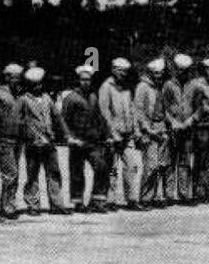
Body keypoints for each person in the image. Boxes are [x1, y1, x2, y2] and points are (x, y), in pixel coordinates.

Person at [62, 64, 112, 212]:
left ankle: (97, 200)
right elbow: (63, 120)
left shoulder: (93, 96)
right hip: (77, 141)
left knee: (101, 167)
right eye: (83, 79)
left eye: (88, 80)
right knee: (77, 172)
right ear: (78, 80)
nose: (86, 82)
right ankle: (78, 202)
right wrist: (69, 138)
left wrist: (107, 135)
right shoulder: (70, 98)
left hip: (93, 141)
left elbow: (99, 119)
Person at [19, 66, 67, 215]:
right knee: (32, 175)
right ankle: (33, 205)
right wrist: (27, 135)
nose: (38, 87)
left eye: (40, 83)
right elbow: (19, 121)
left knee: (54, 173)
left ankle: (57, 204)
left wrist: (64, 133)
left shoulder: (47, 98)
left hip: (49, 141)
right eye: (35, 84)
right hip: (33, 142)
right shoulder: (24, 100)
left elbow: (57, 117)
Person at [99, 57, 141, 209]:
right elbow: (104, 112)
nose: (122, 73)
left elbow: (132, 109)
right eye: (120, 70)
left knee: (131, 166)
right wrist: (112, 133)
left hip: (128, 133)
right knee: (111, 168)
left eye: (125, 71)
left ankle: (132, 200)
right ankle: (110, 200)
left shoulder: (126, 88)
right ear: (113, 70)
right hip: (113, 135)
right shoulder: (106, 87)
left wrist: (136, 129)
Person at [185, 58, 209, 202]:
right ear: (204, 69)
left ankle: (207, 191)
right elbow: (189, 104)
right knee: (200, 161)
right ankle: (196, 192)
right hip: (201, 127)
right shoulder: (196, 85)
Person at [133, 58, 170, 208]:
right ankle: (145, 198)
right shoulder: (142, 87)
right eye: (155, 73)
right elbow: (138, 111)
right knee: (150, 166)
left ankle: (155, 196)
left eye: (160, 73)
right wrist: (146, 130)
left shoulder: (160, 87)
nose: (158, 75)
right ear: (150, 72)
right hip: (149, 129)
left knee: (161, 165)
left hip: (162, 127)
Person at [0, 64, 25, 218]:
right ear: (7, 77)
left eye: (19, 77)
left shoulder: (19, 95)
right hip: (4, 139)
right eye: (14, 77)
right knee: (9, 174)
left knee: (14, 174)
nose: (17, 80)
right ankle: (7, 207)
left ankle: (9, 203)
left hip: (18, 139)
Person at [162, 54, 194, 204]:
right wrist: (172, 122)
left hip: (187, 128)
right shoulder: (168, 85)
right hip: (172, 129)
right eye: (180, 70)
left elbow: (198, 106)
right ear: (175, 70)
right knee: (169, 162)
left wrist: (190, 120)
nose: (182, 73)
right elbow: (164, 107)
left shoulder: (193, 85)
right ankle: (169, 195)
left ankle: (184, 194)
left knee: (185, 163)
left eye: (185, 70)